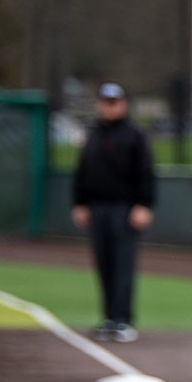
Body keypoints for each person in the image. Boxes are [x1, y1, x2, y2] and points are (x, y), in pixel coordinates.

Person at [70, 82, 155, 343]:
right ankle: (109, 317)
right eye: (105, 101)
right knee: (104, 264)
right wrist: (80, 202)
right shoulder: (94, 133)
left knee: (122, 265)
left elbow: (146, 173)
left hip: (124, 208)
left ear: (123, 104)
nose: (109, 106)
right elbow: (82, 171)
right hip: (97, 207)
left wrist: (144, 204)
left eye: (114, 101)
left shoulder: (134, 135)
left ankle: (123, 319)